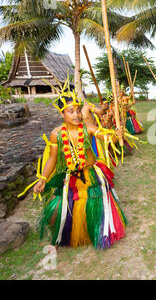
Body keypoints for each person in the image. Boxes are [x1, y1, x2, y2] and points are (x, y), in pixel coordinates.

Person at [20, 85, 128, 249]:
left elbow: (106, 137)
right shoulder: (56, 134)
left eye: (78, 110)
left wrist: (116, 135)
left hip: (91, 174)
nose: (77, 115)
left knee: (94, 204)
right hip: (70, 176)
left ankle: (97, 232)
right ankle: (61, 236)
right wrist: (42, 178)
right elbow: (52, 159)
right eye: (71, 111)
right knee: (59, 208)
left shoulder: (87, 128)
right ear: (61, 113)